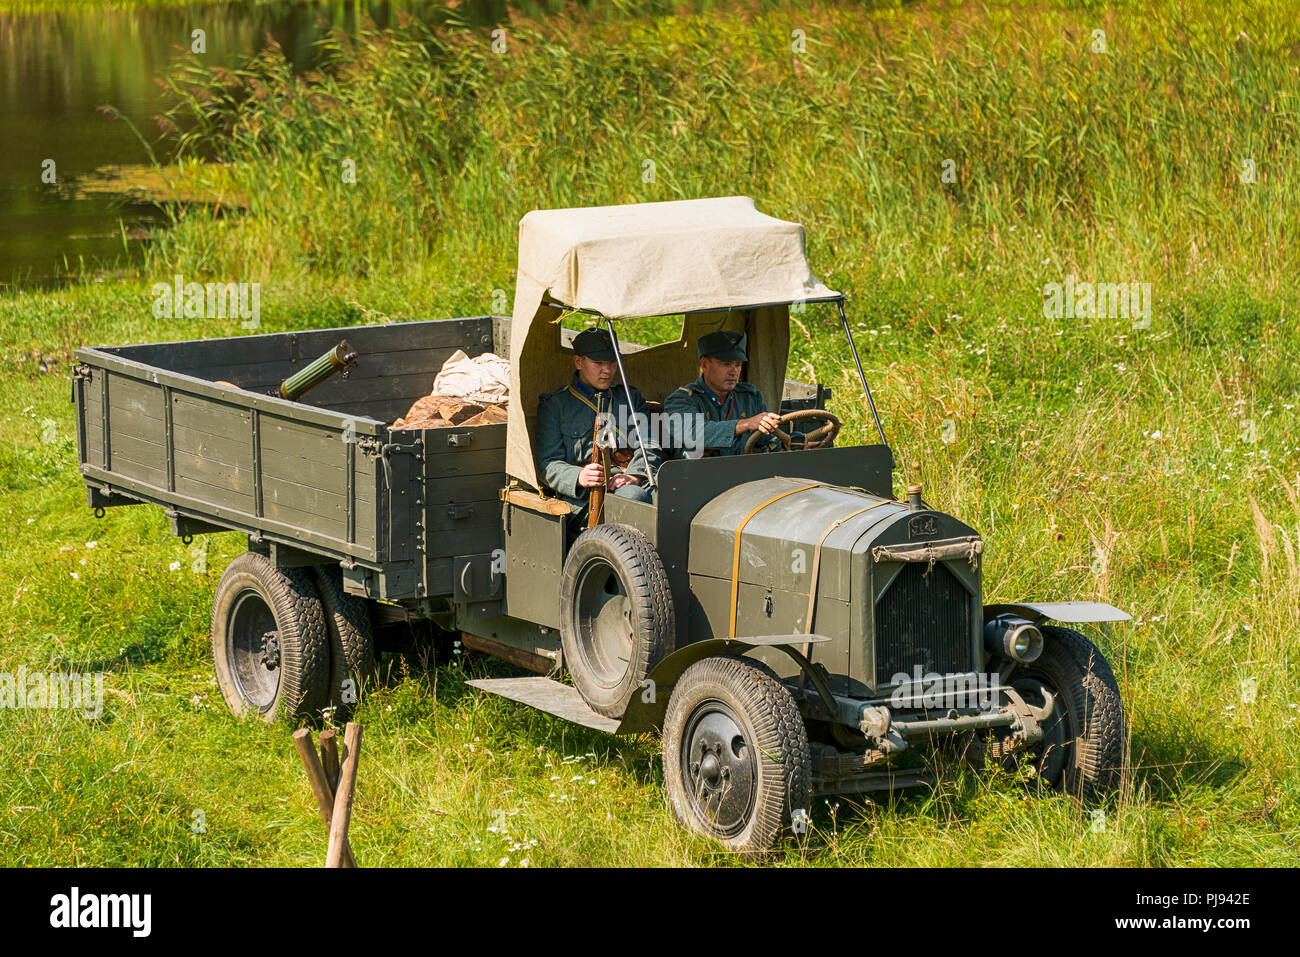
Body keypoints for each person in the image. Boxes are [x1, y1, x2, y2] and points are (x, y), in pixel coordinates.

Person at [536, 328, 659, 526]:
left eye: (612, 363)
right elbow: (547, 464)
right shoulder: (556, 405)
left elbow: (649, 443)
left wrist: (635, 474)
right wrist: (579, 476)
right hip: (584, 496)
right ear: (579, 362)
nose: (607, 370)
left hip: (631, 479)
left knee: (670, 499)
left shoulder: (628, 396)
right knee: (633, 498)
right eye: (599, 363)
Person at [664, 330, 803, 457]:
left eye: (738, 365)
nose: (734, 371)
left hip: (744, 478)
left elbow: (767, 440)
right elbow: (694, 433)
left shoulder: (750, 397)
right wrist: (744, 424)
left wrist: (792, 447)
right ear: (704, 365)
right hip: (695, 479)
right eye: (726, 364)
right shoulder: (681, 400)